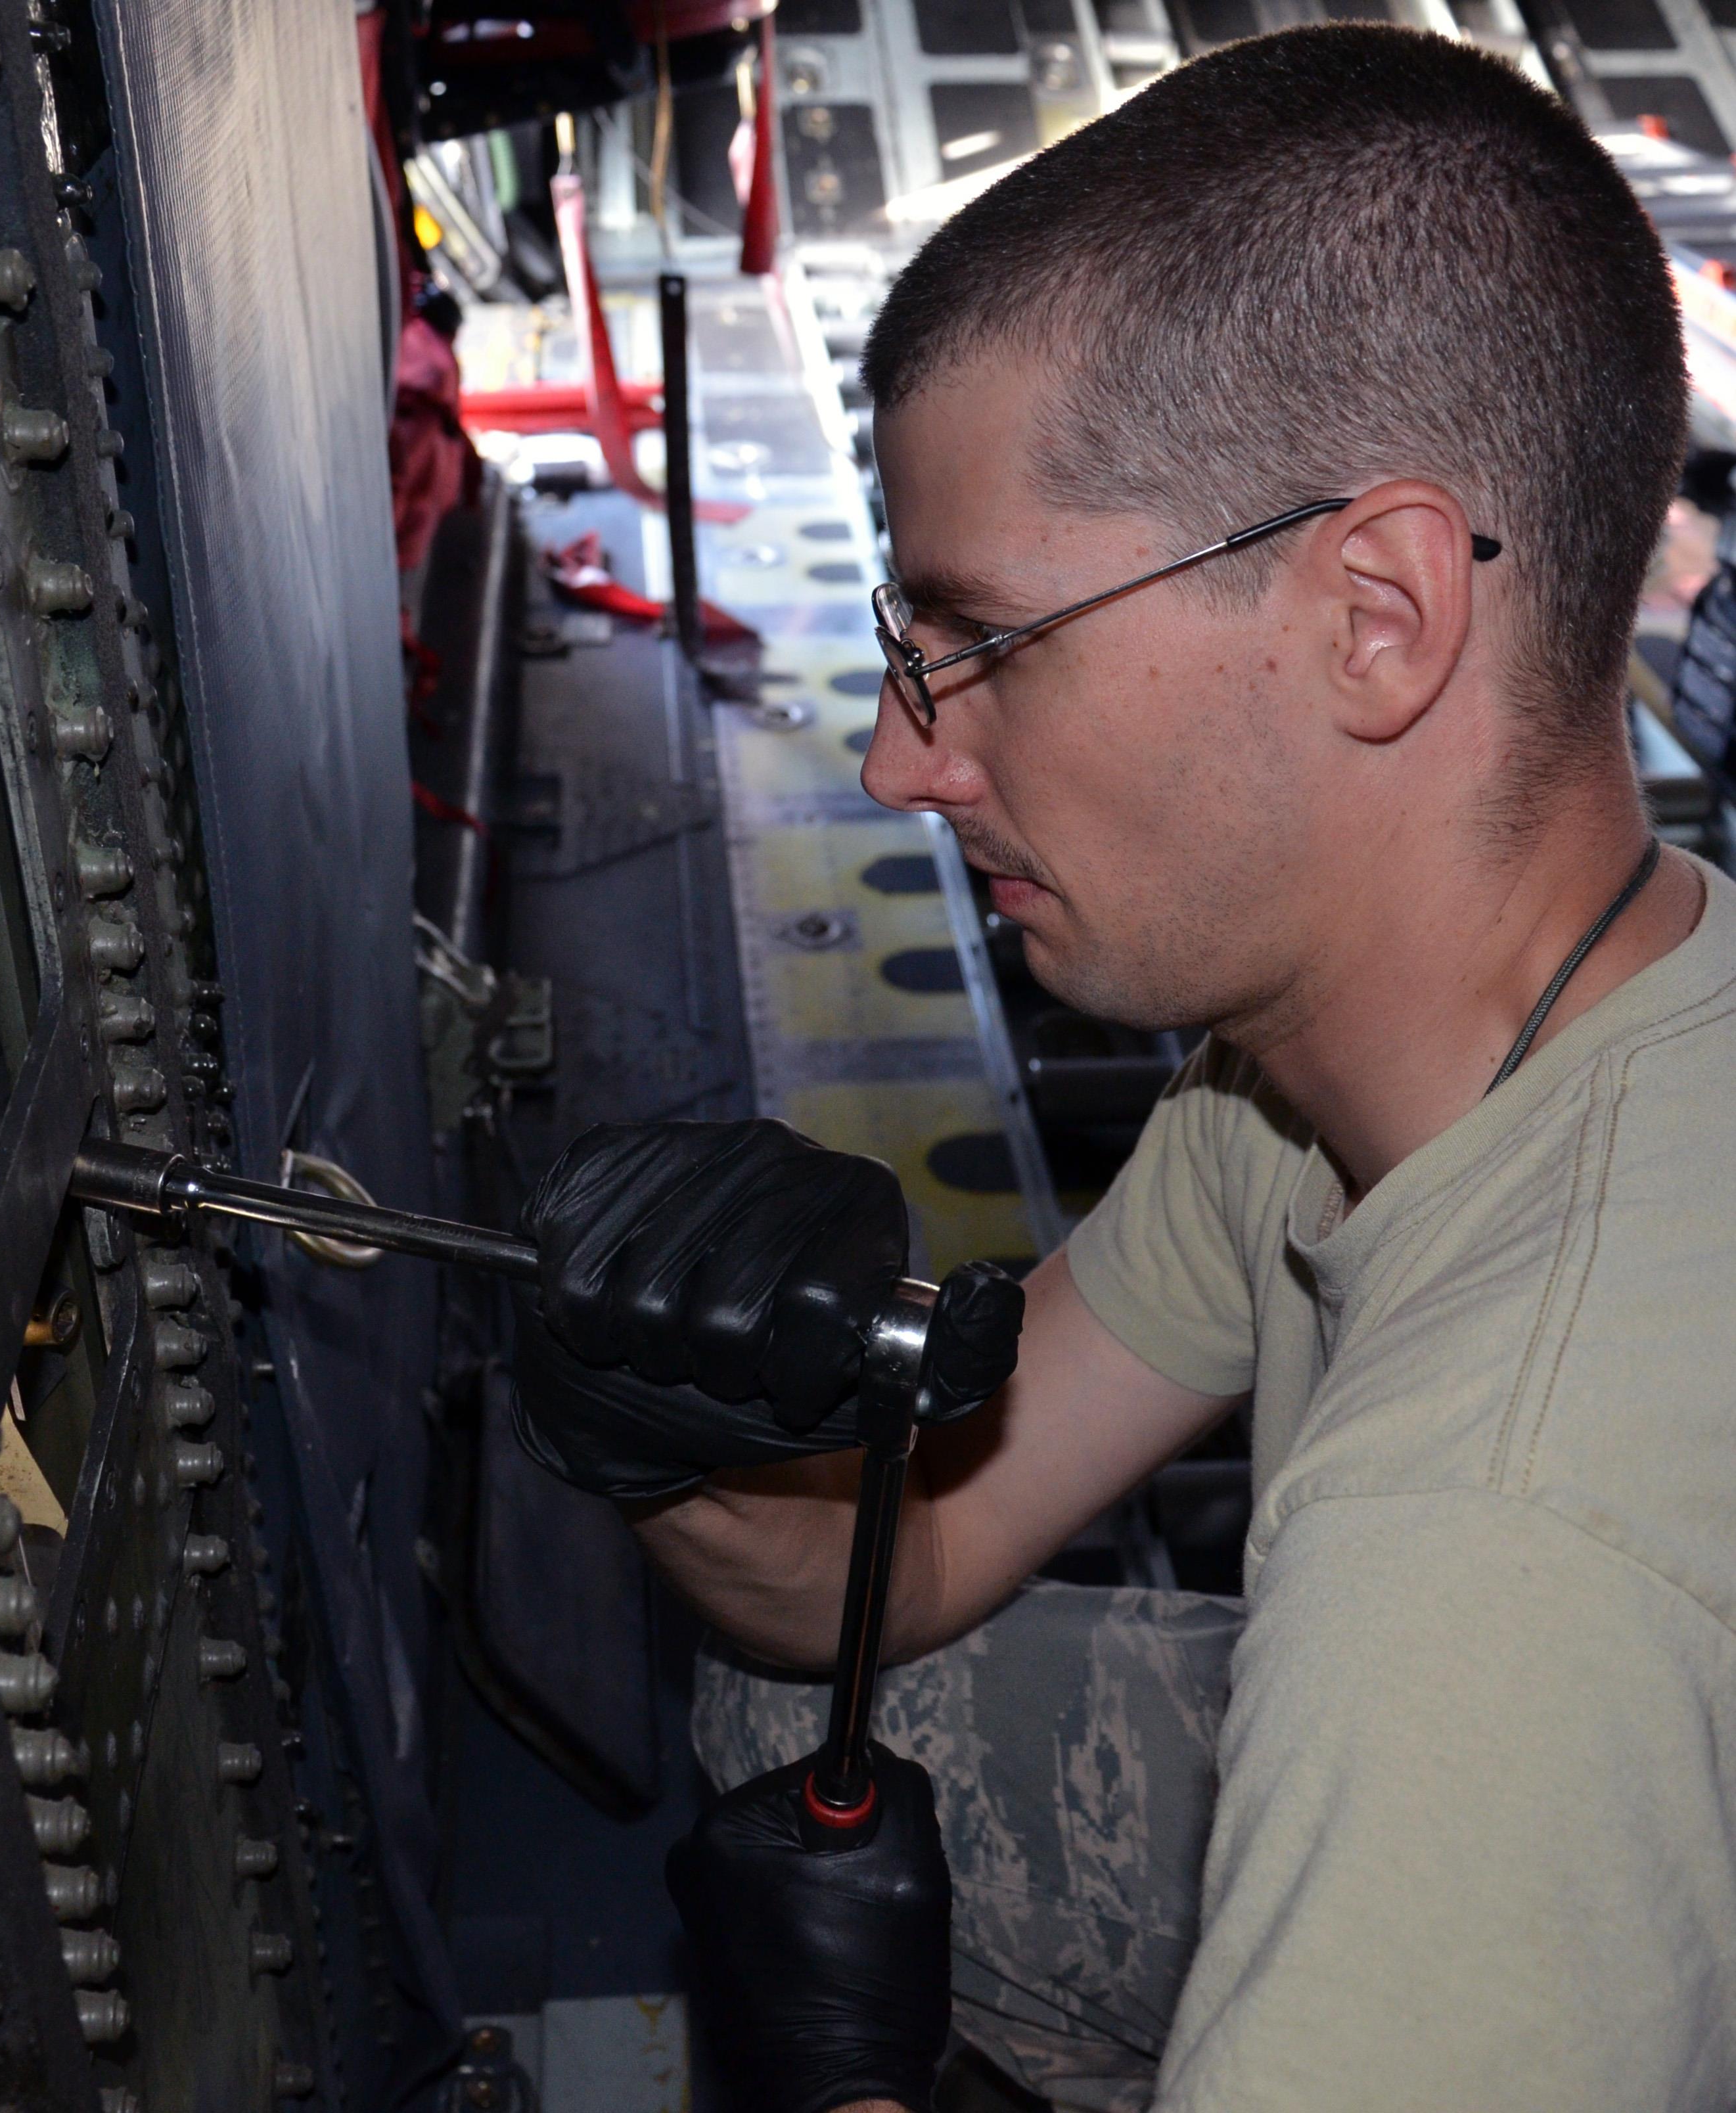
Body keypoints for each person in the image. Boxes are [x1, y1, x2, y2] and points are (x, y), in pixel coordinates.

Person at [512, 24, 1736, 2112]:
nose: (903, 756)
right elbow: (879, 1580)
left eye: (980, 642)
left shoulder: (1490, 1563)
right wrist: (660, 1433)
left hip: (1528, 1691)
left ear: (1378, 614)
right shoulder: (1359, 1064)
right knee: (784, 1732)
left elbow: (1479, 1605)